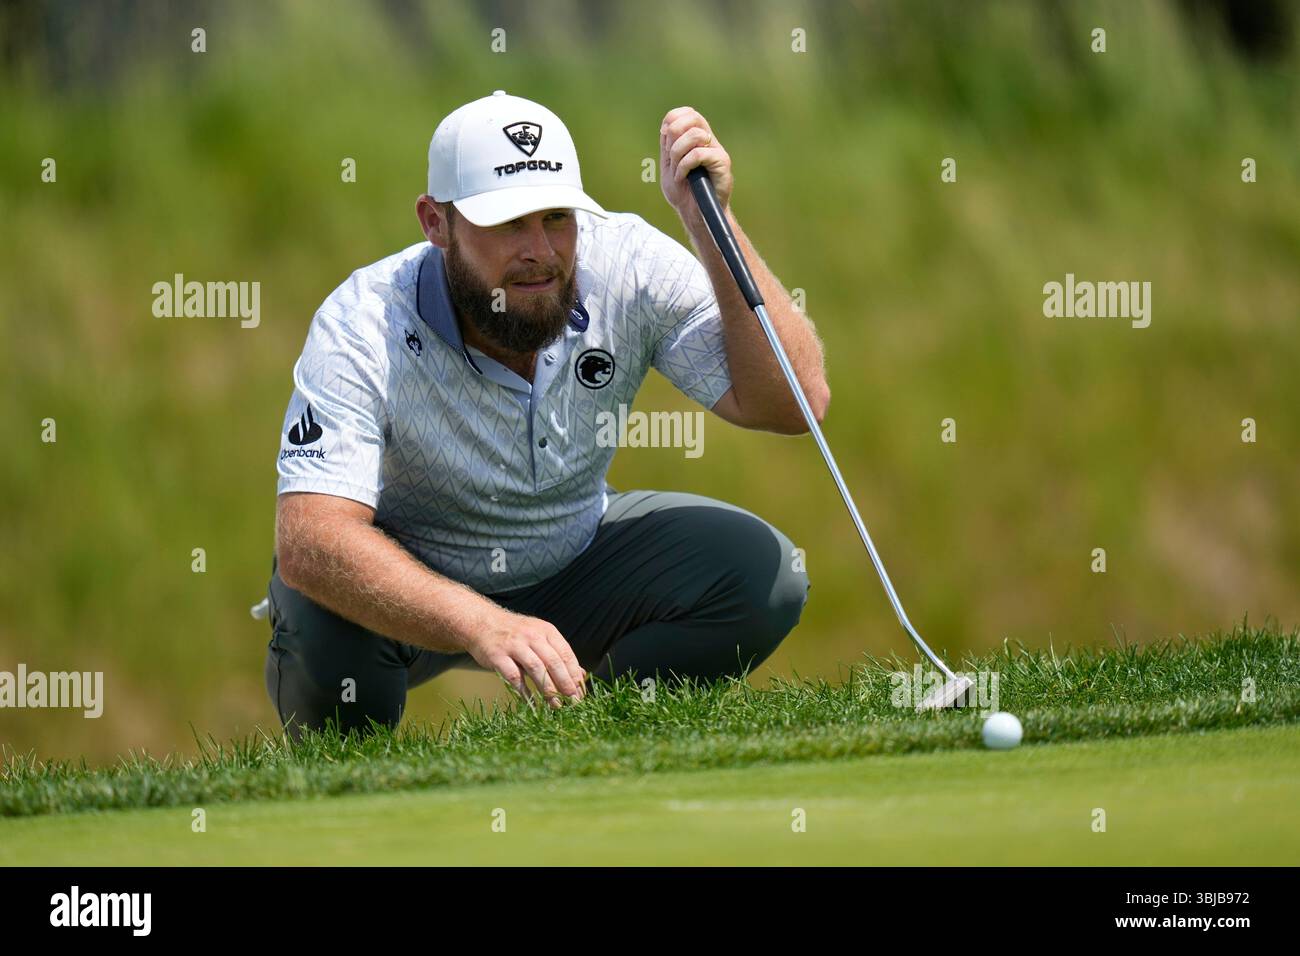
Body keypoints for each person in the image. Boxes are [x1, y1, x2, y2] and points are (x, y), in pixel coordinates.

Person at [264, 90, 831, 739]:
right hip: (406, 581)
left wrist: (713, 224)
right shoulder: (364, 322)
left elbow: (795, 404)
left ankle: (592, 739)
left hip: (573, 557)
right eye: (509, 224)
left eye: (557, 217)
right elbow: (310, 538)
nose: (541, 251)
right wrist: (478, 621)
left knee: (764, 576)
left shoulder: (626, 264)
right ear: (435, 222)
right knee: (322, 625)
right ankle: (353, 796)